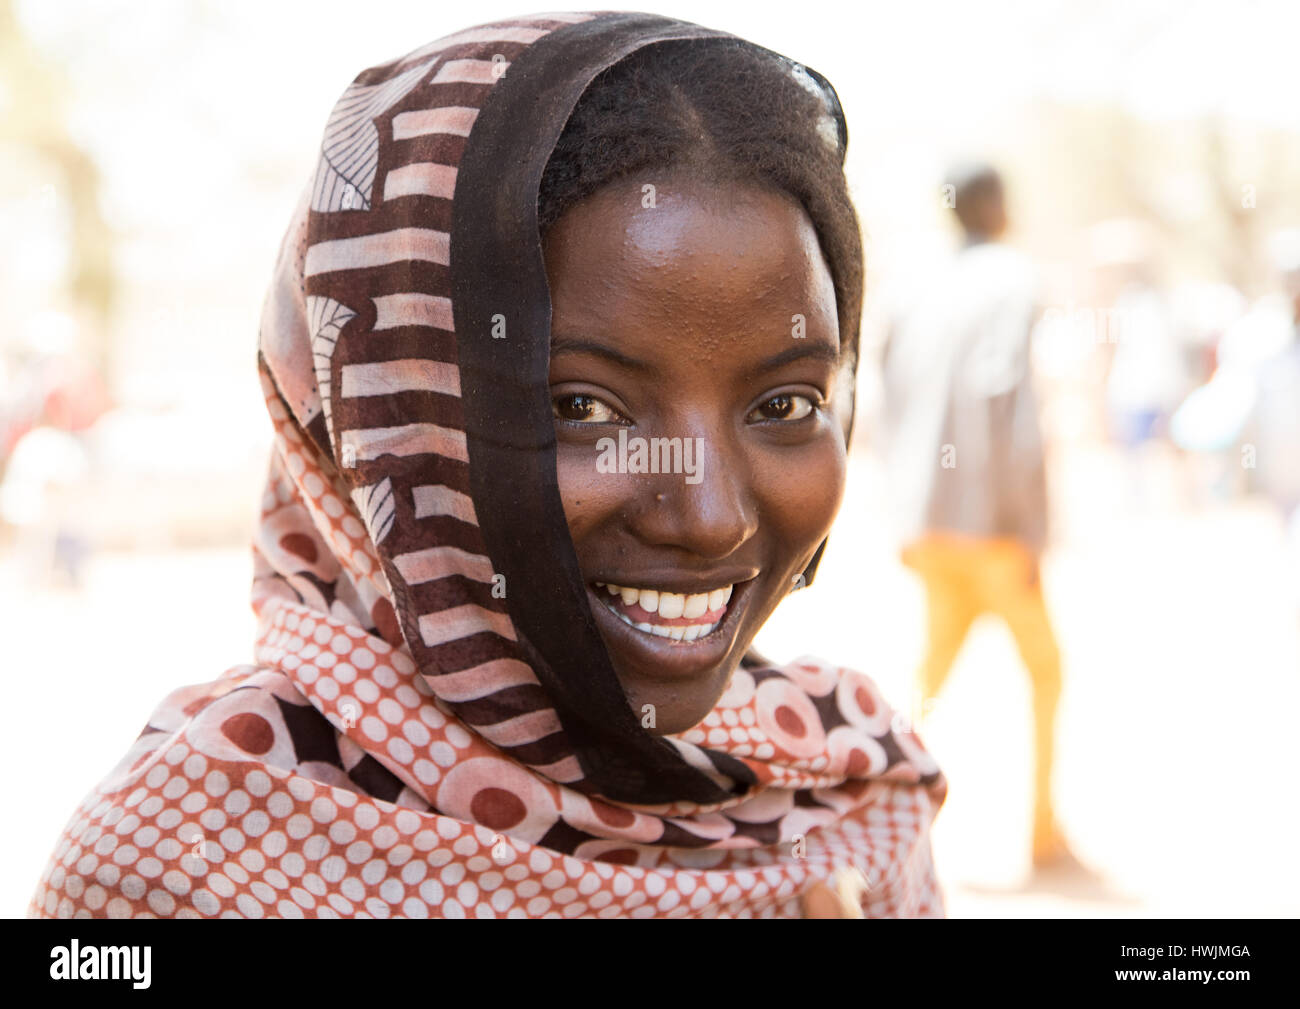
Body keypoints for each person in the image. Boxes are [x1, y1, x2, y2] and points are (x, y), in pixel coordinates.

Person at [29, 11, 947, 919]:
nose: (710, 517)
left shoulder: (844, 801)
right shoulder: (182, 866)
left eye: (784, 405)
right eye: (582, 407)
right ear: (385, 417)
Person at [881, 163, 1073, 873]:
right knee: (1046, 674)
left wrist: (901, 513)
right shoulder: (1013, 279)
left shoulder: (915, 282)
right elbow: (1017, 408)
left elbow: (885, 401)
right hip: (992, 521)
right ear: (998, 206)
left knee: (930, 679)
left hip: (929, 521)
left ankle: (883, 826)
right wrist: (1030, 528)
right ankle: (1041, 834)